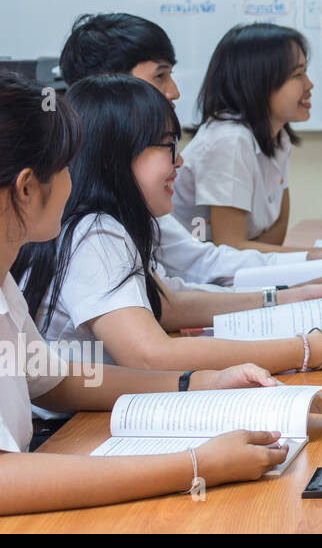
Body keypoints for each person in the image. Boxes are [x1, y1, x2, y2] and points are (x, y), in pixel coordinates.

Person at [0, 70, 290, 513]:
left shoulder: (4, 281)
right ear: (24, 188)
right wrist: (196, 464)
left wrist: (196, 383)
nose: (71, 181)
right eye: (62, 168)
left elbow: (53, 380)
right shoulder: (93, 232)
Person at [15, 76, 322, 376]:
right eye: (167, 146)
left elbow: (168, 305)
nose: (179, 161)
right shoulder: (95, 232)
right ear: (117, 155)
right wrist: (310, 348)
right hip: (72, 429)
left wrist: (281, 296)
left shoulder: (114, 224)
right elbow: (149, 356)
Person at [59, 12, 322, 286]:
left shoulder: (129, 187)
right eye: (160, 75)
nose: (174, 91)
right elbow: (211, 263)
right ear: (107, 86)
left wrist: (320, 263)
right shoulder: (86, 217)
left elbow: (195, 270)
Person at [171, 23, 322, 256]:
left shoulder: (278, 137)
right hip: (196, 279)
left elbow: (274, 237)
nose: (309, 85)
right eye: (297, 75)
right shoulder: (228, 141)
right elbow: (231, 250)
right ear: (257, 82)